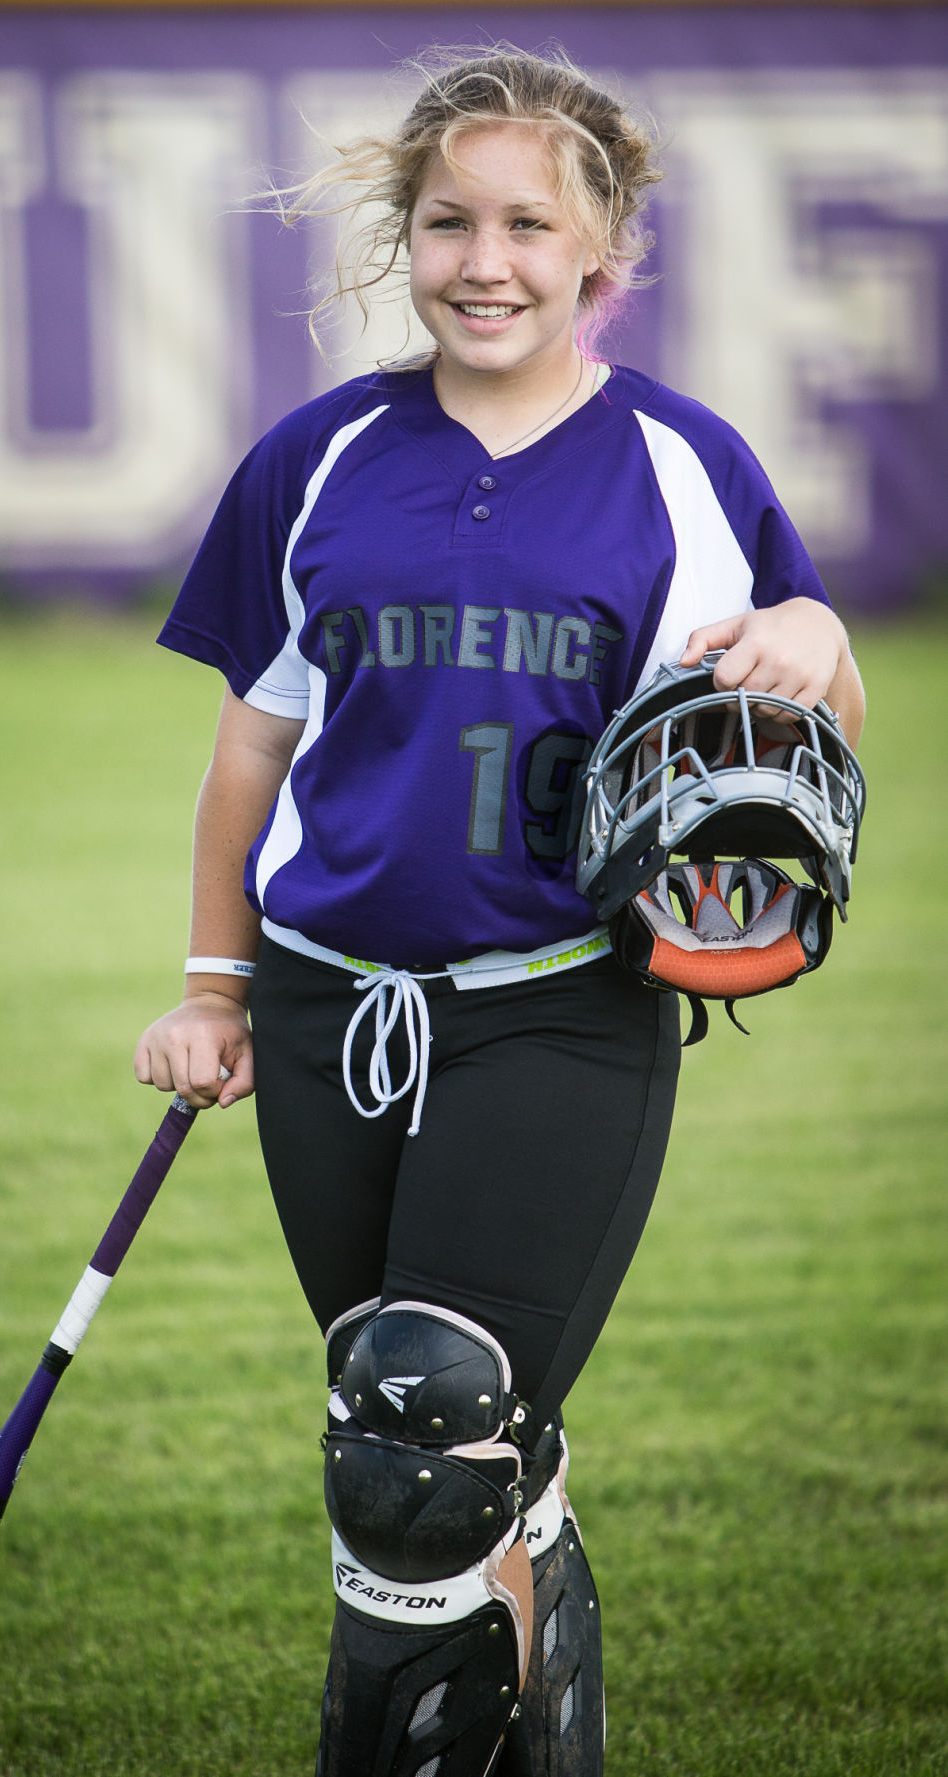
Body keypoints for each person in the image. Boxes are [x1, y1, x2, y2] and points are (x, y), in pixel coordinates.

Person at [134, 45, 865, 1777]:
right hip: (324, 1007)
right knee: (404, 1437)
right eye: (449, 219)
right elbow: (249, 754)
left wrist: (820, 645)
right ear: (403, 234)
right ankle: (543, 1688)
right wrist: (213, 986)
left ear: (600, 246)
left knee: (423, 1427)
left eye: (530, 223)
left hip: (556, 1003)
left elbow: (792, 749)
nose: (486, 259)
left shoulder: (684, 466)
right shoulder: (314, 458)